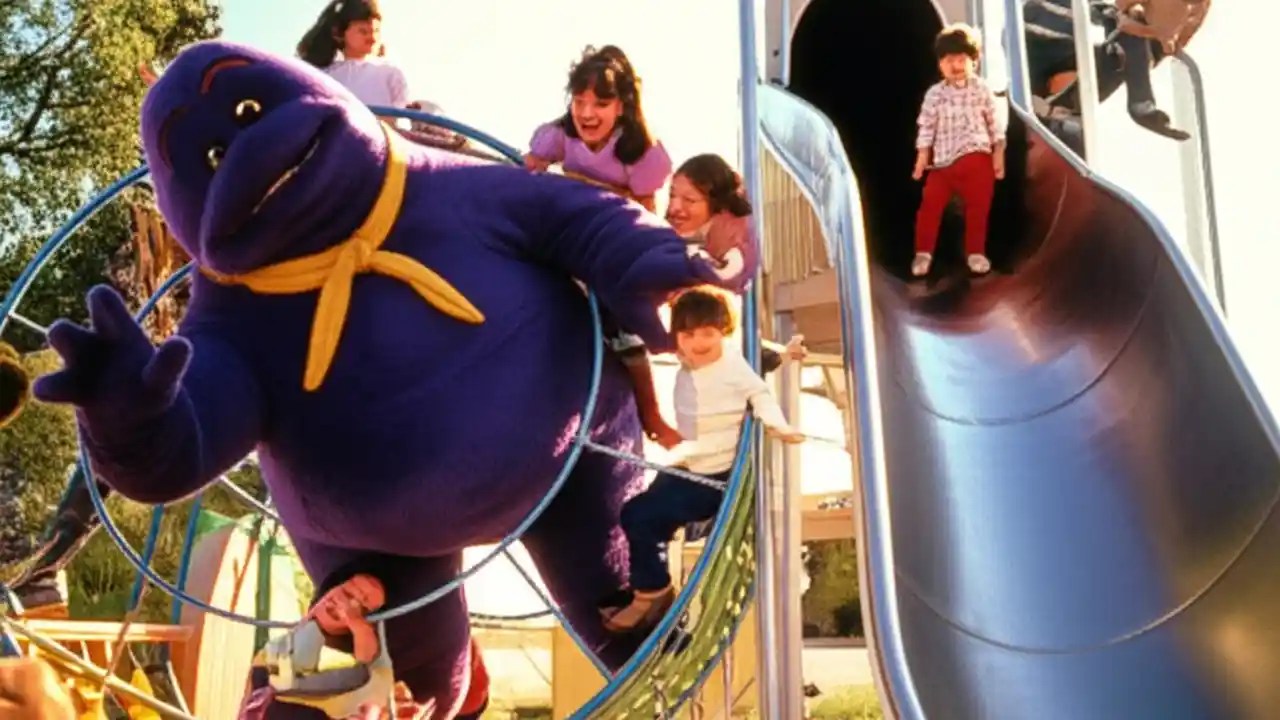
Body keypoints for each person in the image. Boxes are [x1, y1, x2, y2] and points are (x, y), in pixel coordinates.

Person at [602, 289, 806, 634]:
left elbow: (757, 381)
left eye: (709, 334)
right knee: (647, 519)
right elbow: (756, 356)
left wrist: (779, 422)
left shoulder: (731, 365)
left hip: (714, 476)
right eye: (689, 334)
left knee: (639, 514)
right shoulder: (689, 357)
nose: (698, 344)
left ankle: (652, 595)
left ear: (723, 333)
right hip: (691, 466)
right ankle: (648, 586)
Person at [525, 44, 683, 447]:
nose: (587, 113)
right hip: (568, 231)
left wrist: (601, 192)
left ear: (622, 107)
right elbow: (531, 168)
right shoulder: (560, 136)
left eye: (600, 103)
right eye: (579, 101)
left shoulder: (638, 151)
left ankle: (651, 411)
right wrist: (541, 168)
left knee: (623, 326)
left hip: (613, 239)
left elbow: (646, 212)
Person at [911, 23, 1006, 278]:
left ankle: (975, 252)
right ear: (940, 64)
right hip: (943, 162)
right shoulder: (935, 94)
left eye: (962, 59)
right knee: (930, 206)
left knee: (978, 206)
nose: (955, 65)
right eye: (949, 60)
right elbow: (927, 127)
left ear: (974, 62)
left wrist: (998, 154)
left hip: (977, 155)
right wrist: (922, 159)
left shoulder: (981, 89)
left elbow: (994, 122)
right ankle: (923, 253)